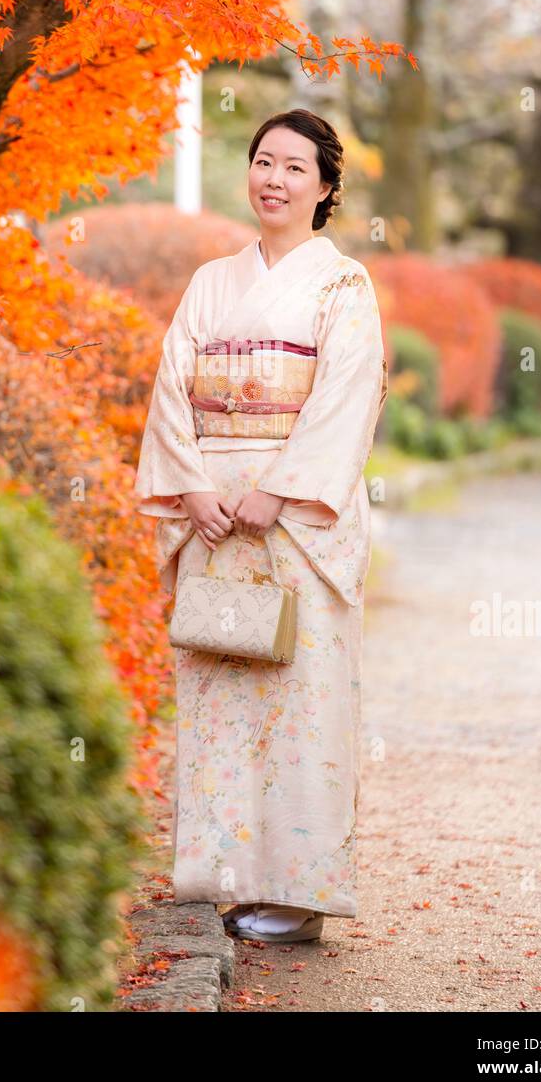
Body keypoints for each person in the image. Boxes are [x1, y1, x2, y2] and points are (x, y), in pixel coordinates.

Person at [133, 109, 388, 944]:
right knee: (221, 695)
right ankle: (221, 876)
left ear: (324, 189)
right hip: (213, 520)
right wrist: (192, 489)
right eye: (263, 162)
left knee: (300, 698)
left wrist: (279, 493)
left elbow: (347, 398)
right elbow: (174, 389)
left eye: (294, 169)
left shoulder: (343, 285)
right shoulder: (212, 282)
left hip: (292, 526)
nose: (273, 180)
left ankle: (299, 891)